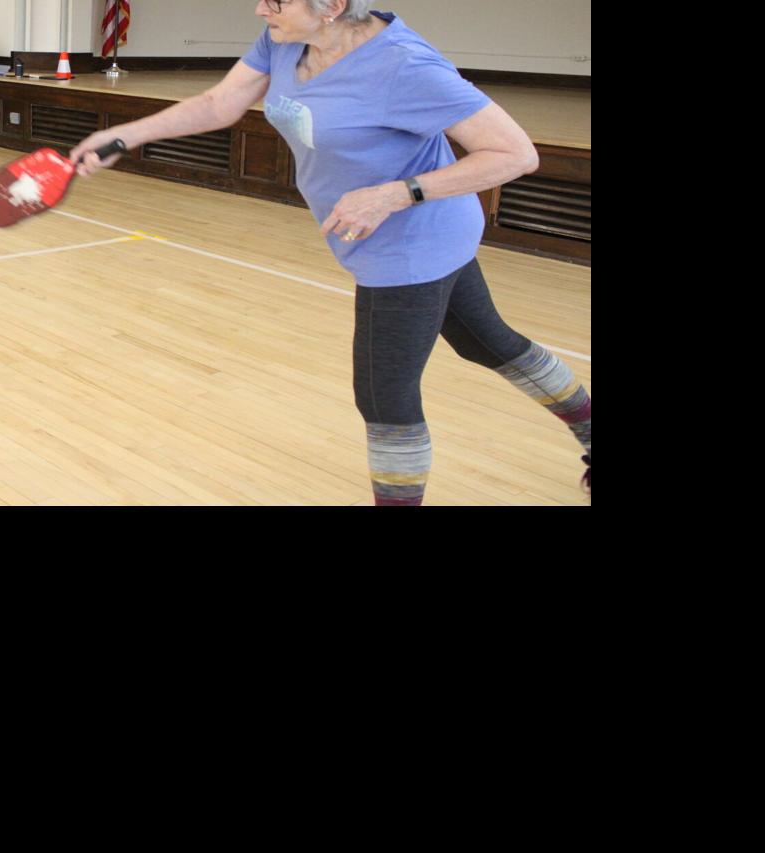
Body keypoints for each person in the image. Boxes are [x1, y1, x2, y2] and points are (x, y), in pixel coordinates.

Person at [70, 1, 592, 504]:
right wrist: (124, 134)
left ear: (333, 6)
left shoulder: (403, 66)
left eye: (275, 1)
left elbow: (516, 154)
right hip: (398, 240)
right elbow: (218, 104)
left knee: (383, 396)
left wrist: (393, 194)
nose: (260, 10)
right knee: (489, 344)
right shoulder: (284, 38)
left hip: (412, 244)